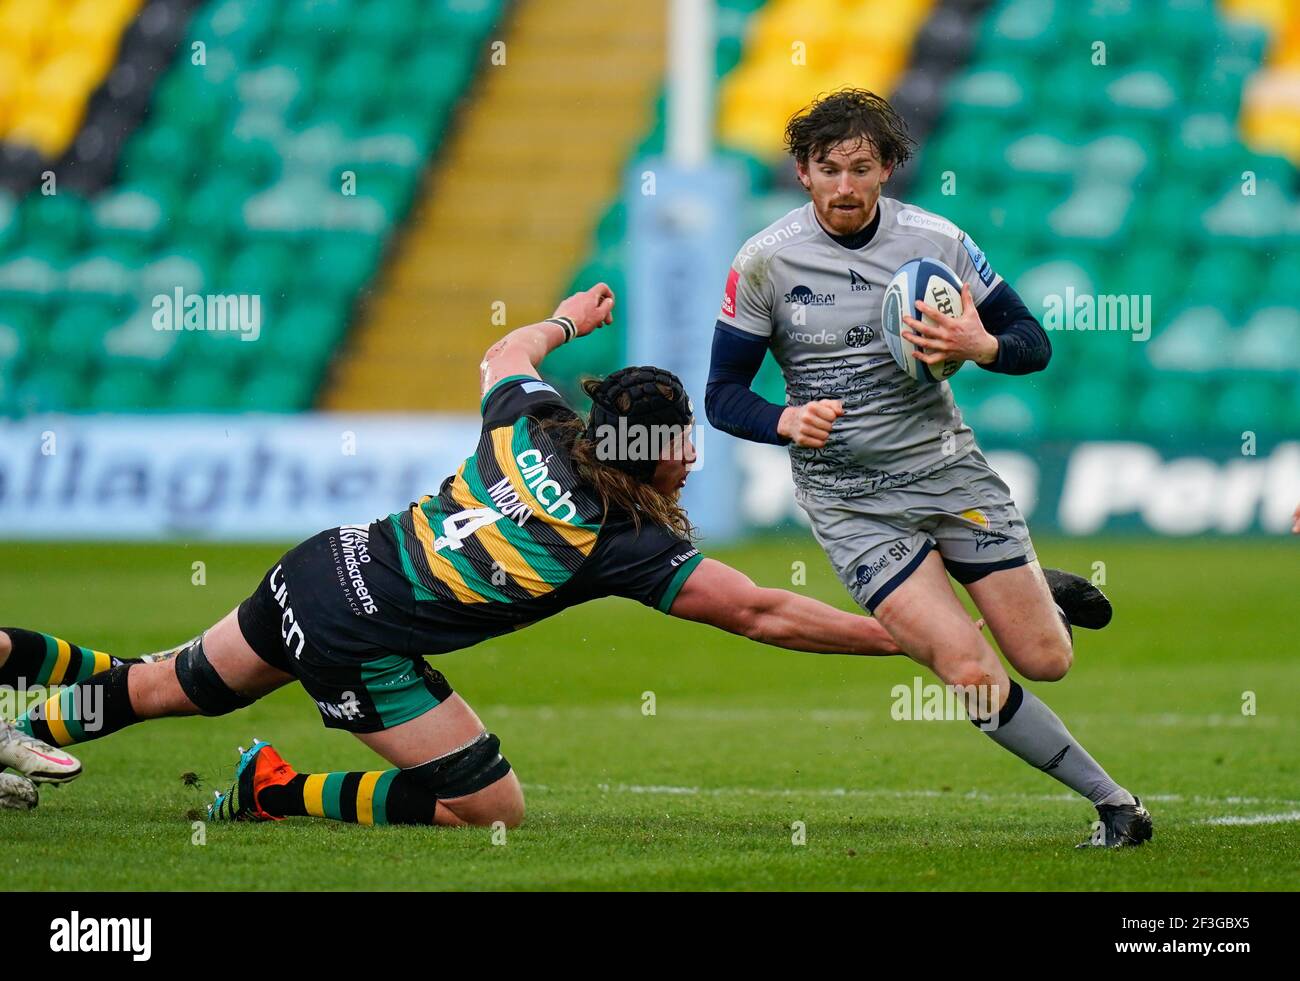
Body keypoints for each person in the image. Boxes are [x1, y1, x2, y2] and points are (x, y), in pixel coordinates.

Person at [0, 283, 906, 829]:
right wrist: (904, 638)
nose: (692, 456)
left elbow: (505, 348)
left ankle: (22, 708)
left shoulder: (536, 422)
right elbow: (762, 611)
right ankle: (275, 788)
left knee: (163, 686)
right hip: (360, 638)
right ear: (643, 451)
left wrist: (565, 319)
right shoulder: (622, 541)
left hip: (322, 564)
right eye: (679, 444)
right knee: (491, 811)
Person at [704, 88, 1151, 848]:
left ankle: (1032, 590)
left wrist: (982, 348)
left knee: (1046, 660)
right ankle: (1116, 804)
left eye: (861, 167)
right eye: (827, 168)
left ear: (888, 171)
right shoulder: (764, 262)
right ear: (803, 173)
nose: (844, 185)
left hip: (950, 475)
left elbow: (1030, 340)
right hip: (851, 504)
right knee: (964, 668)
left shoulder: (938, 241)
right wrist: (782, 420)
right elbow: (720, 395)